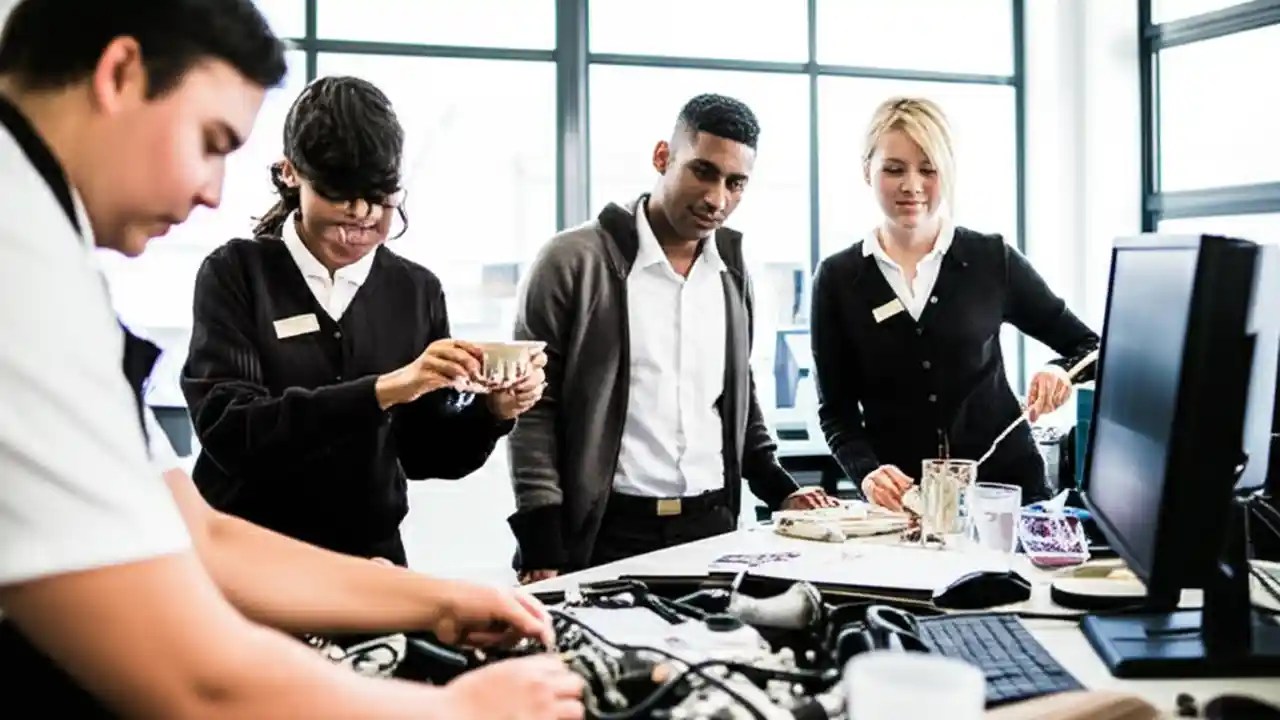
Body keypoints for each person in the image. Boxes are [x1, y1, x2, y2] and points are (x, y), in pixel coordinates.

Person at [0, 2, 582, 717]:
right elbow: (198, 680)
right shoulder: (19, 262)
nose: (211, 189)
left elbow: (204, 538)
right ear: (118, 73)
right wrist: (462, 711)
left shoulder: (51, 260)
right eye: (211, 141)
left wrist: (441, 596)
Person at [180, 74, 546, 566]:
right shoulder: (237, 274)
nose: (360, 214)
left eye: (380, 197)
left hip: (367, 564)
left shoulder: (415, 291)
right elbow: (232, 432)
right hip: (247, 562)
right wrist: (386, 389)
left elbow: (421, 455)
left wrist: (493, 414)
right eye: (339, 193)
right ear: (290, 174)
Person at [509, 94, 837, 583]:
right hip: (605, 533)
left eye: (735, 183)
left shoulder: (735, 268)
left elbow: (736, 392)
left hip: (714, 527)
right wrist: (540, 541)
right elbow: (533, 408)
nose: (716, 198)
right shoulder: (571, 261)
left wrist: (779, 487)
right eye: (702, 171)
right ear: (663, 157)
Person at [810, 96, 1098, 511]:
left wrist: (1059, 373)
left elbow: (1090, 347)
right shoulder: (838, 279)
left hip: (1009, 498)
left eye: (928, 169)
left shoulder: (991, 259)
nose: (912, 185)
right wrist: (867, 473)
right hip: (907, 510)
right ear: (866, 170)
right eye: (894, 169)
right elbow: (836, 413)